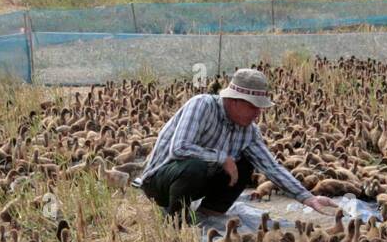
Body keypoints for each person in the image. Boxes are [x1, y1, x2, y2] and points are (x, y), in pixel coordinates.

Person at [140, 68, 338, 221]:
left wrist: (308, 197)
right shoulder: (202, 105)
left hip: (196, 183)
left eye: (260, 107)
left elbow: (271, 167)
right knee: (195, 165)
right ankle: (177, 222)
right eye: (253, 106)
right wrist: (222, 158)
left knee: (245, 163)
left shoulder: (249, 131)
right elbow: (179, 148)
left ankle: (208, 215)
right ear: (234, 101)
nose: (258, 113)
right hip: (160, 181)